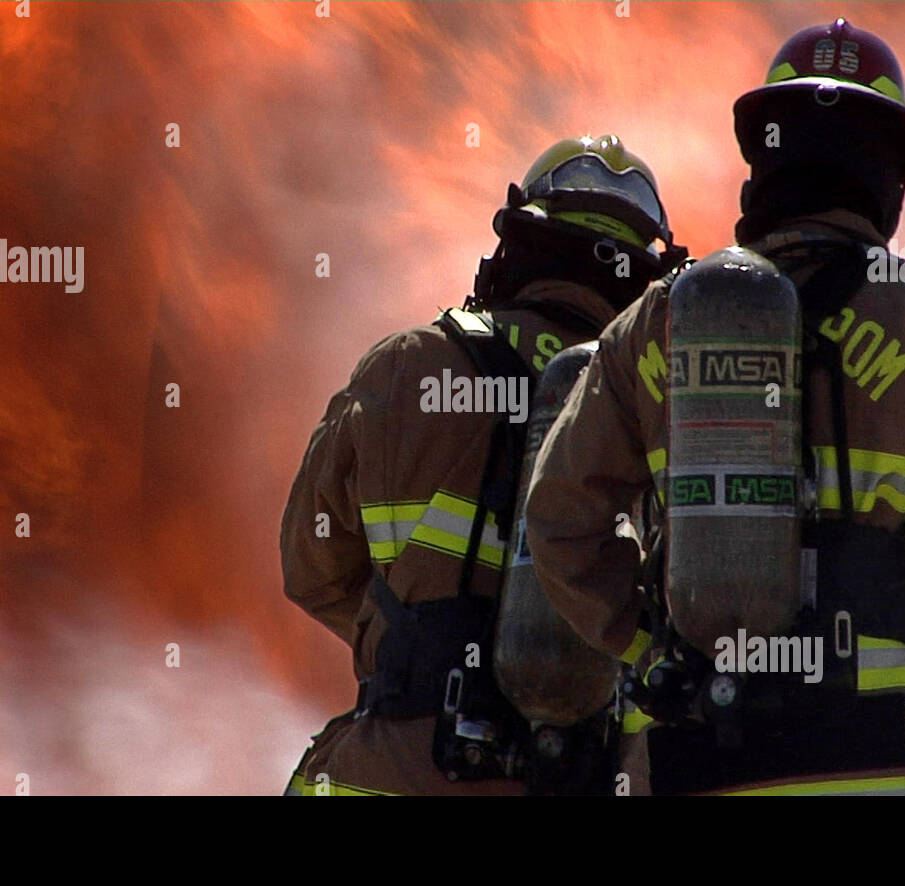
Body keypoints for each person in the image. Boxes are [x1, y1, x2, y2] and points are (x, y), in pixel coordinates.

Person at [526, 19, 905, 796]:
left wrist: (649, 653)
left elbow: (560, 524)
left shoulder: (654, 326)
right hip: (870, 768)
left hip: (689, 765)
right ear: (889, 184)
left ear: (762, 165)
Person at [281, 135, 685, 795]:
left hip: (398, 768)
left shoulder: (406, 365)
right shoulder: (665, 408)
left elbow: (311, 571)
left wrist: (412, 641)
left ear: (519, 243)